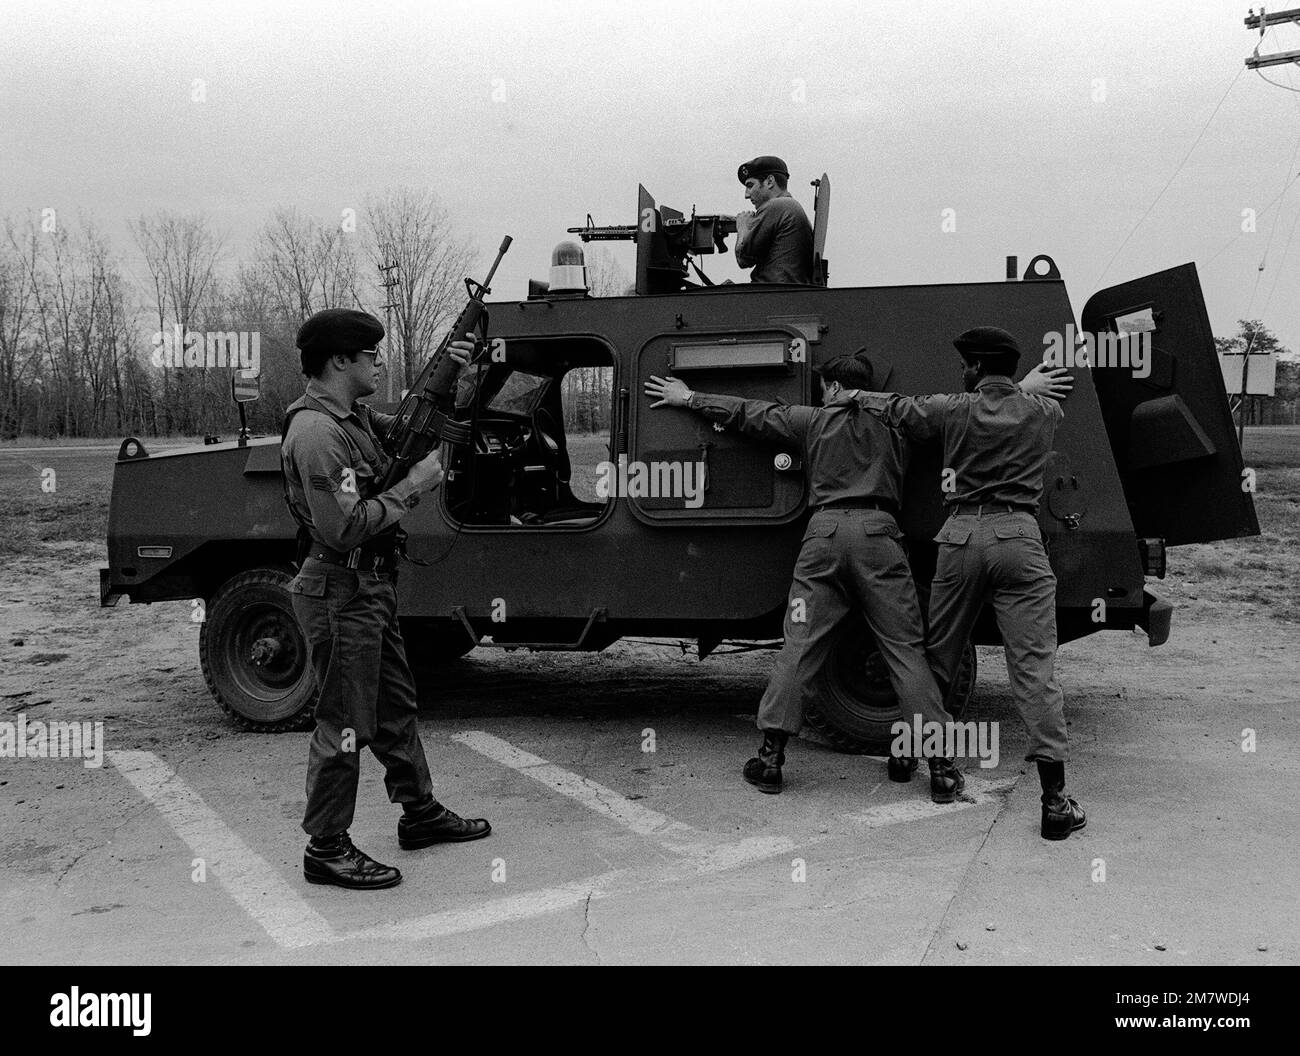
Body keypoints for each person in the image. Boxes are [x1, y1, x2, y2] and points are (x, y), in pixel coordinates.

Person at [645, 356, 959, 799]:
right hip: (879, 537)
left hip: (823, 539)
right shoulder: (897, 419)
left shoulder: (810, 421)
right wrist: (1021, 388)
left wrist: (691, 397)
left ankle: (770, 760)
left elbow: (747, 413)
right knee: (905, 651)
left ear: (831, 388)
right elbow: (956, 409)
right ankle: (942, 769)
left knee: (801, 645)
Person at [281, 308, 491, 890]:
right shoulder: (318, 434)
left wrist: (451, 376)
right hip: (339, 588)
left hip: (368, 587)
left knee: (395, 705)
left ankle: (419, 812)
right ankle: (326, 847)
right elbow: (343, 526)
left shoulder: (352, 419)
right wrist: (413, 487)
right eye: (369, 354)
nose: (377, 361)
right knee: (345, 721)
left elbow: (404, 432)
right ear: (340, 360)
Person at [854, 327, 1084, 840]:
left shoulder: (952, 409)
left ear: (977, 369)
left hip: (958, 539)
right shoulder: (1045, 411)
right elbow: (1015, 403)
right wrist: (1022, 387)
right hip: (1019, 540)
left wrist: (852, 394)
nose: (963, 372)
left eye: (967, 365)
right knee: (1034, 669)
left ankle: (915, 758)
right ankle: (1054, 803)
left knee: (939, 656)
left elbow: (898, 409)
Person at [733, 155, 814, 285]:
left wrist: (742, 227)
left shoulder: (776, 206)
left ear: (770, 181)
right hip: (783, 293)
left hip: (771, 294)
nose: (746, 195)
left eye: (750, 185)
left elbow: (743, 258)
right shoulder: (789, 207)